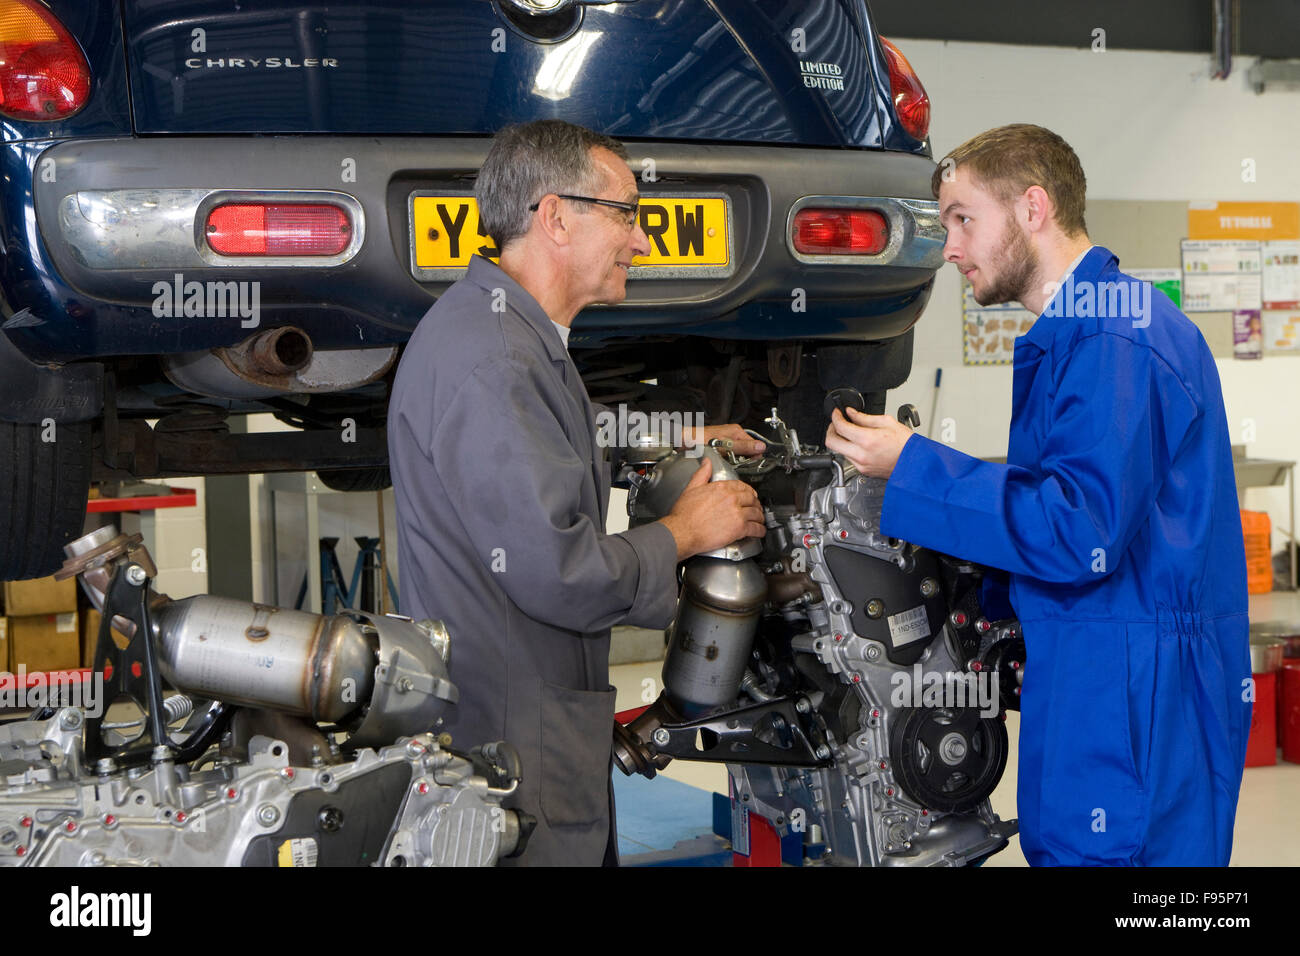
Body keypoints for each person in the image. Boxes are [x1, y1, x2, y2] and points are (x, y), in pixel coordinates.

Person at [824, 124, 1251, 866]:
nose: (951, 248)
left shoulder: (1116, 340)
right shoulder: (1082, 335)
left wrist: (915, 466)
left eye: (964, 220)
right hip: (1097, 668)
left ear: (1032, 207)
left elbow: (1076, 528)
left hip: (1135, 690)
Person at [387, 120, 766, 866]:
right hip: (512, 746)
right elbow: (559, 572)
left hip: (517, 721)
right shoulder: (498, 359)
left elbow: (558, 429)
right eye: (627, 215)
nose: (642, 242)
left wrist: (678, 434)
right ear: (556, 217)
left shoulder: (502, 330)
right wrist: (685, 533)